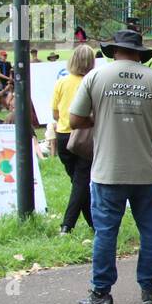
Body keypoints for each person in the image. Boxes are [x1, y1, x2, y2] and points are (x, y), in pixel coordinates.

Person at [69, 30, 152, 304]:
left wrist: (101, 116)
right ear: (140, 53)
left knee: (106, 233)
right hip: (149, 171)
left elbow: (74, 119)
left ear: (113, 50)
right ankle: (150, 291)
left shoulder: (95, 77)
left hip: (108, 170)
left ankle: (102, 294)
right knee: (151, 233)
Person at [51, 43, 97, 234]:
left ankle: (93, 224)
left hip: (62, 136)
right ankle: (67, 226)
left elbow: (55, 113)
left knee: (78, 182)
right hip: (83, 137)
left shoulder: (61, 82)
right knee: (81, 183)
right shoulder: (92, 82)